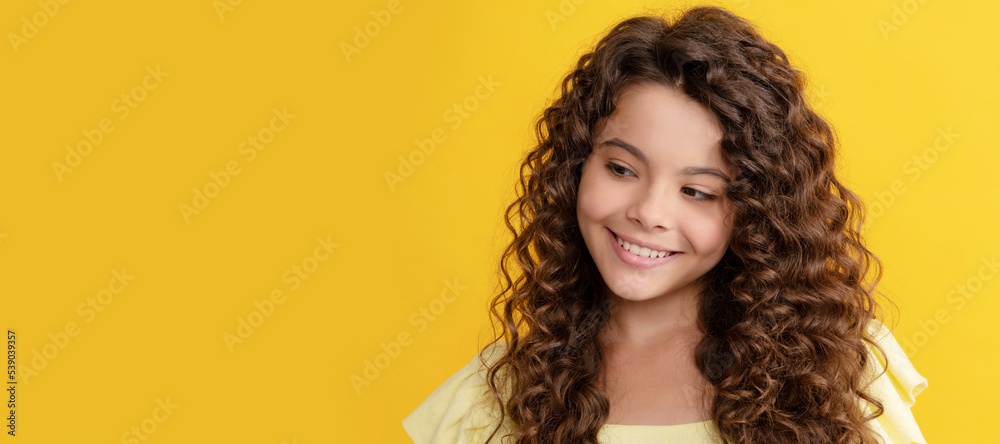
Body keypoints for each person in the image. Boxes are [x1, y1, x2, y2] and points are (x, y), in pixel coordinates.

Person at [403, 5, 928, 443]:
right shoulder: (492, 395)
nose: (649, 213)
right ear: (576, 167)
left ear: (756, 211)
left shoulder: (835, 369)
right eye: (621, 168)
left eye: (697, 192)